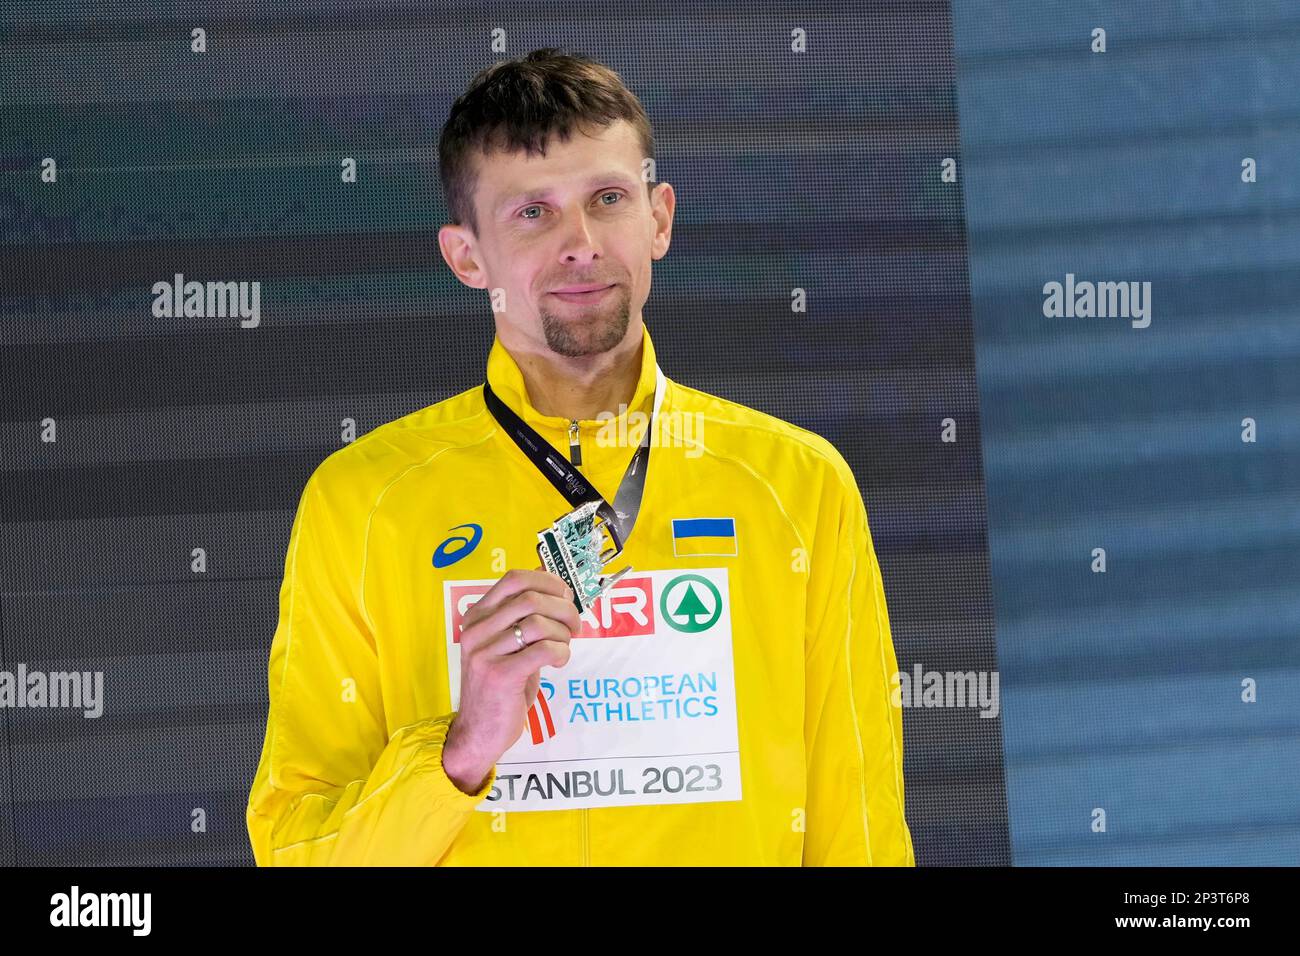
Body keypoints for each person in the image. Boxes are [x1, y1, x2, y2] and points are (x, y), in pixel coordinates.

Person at [245, 47, 915, 867]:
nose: (581, 243)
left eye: (608, 199)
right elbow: (297, 853)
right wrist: (459, 752)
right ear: (467, 257)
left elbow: (862, 829)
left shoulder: (797, 485)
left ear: (660, 218)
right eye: (533, 213)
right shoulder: (363, 500)